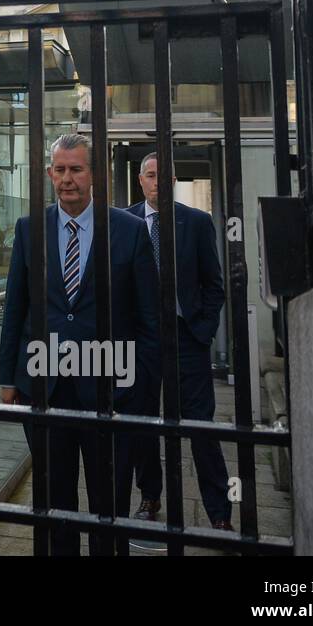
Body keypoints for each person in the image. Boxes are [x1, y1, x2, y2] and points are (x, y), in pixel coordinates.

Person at [0, 133, 160, 555]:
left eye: (76, 169)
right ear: (50, 173)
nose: (66, 178)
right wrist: (7, 379)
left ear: (95, 175)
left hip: (111, 391)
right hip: (44, 387)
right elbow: (15, 308)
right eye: (59, 169)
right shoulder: (29, 228)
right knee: (55, 506)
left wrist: (140, 387)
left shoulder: (130, 231)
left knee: (109, 506)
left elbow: (149, 320)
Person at [124, 153, 232, 532]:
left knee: (201, 427)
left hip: (187, 339)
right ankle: (149, 497)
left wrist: (202, 331)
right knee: (142, 424)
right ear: (141, 180)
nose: (156, 182)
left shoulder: (197, 223)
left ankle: (219, 513)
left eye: (163, 176)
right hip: (141, 342)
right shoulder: (125, 221)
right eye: (150, 175)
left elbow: (214, 285)